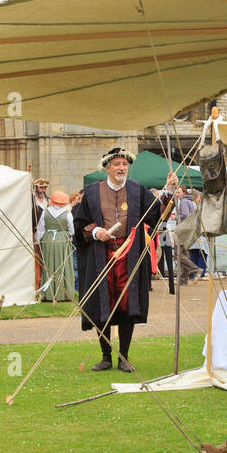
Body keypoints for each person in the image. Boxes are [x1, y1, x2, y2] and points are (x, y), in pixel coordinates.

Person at [73, 148, 177, 372]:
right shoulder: (92, 191)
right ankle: (105, 357)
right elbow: (79, 223)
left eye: (125, 164)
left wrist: (168, 192)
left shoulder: (137, 190)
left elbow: (156, 215)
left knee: (127, 306)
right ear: (107, 168)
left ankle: (124, 357)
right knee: (103, 306)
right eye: (117, 164)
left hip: (129, 257)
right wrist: (96, 231)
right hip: (102, 256)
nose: (121, 168)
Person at [36, 190, 75, 302]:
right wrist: (68, 237)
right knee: (63, 265)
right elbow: (72, 231)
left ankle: (48, 294)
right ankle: (64, 294)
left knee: (48, 264)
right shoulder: (67, 214)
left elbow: (40, 229)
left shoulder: (45, 212)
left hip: (48, 239)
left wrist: (38, 241)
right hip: (62, 240)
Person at [174, 185, 202, 282]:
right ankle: (183, 279)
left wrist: (175, 217)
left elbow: (184, 215)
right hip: (188, 230)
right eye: (176, 192)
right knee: (184, 254)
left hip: (183, 230)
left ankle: (196, 270)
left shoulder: (183, 201)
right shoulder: (190, 202)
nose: (177, 194)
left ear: (184, 193)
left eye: (179, 192)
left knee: (177, 253)